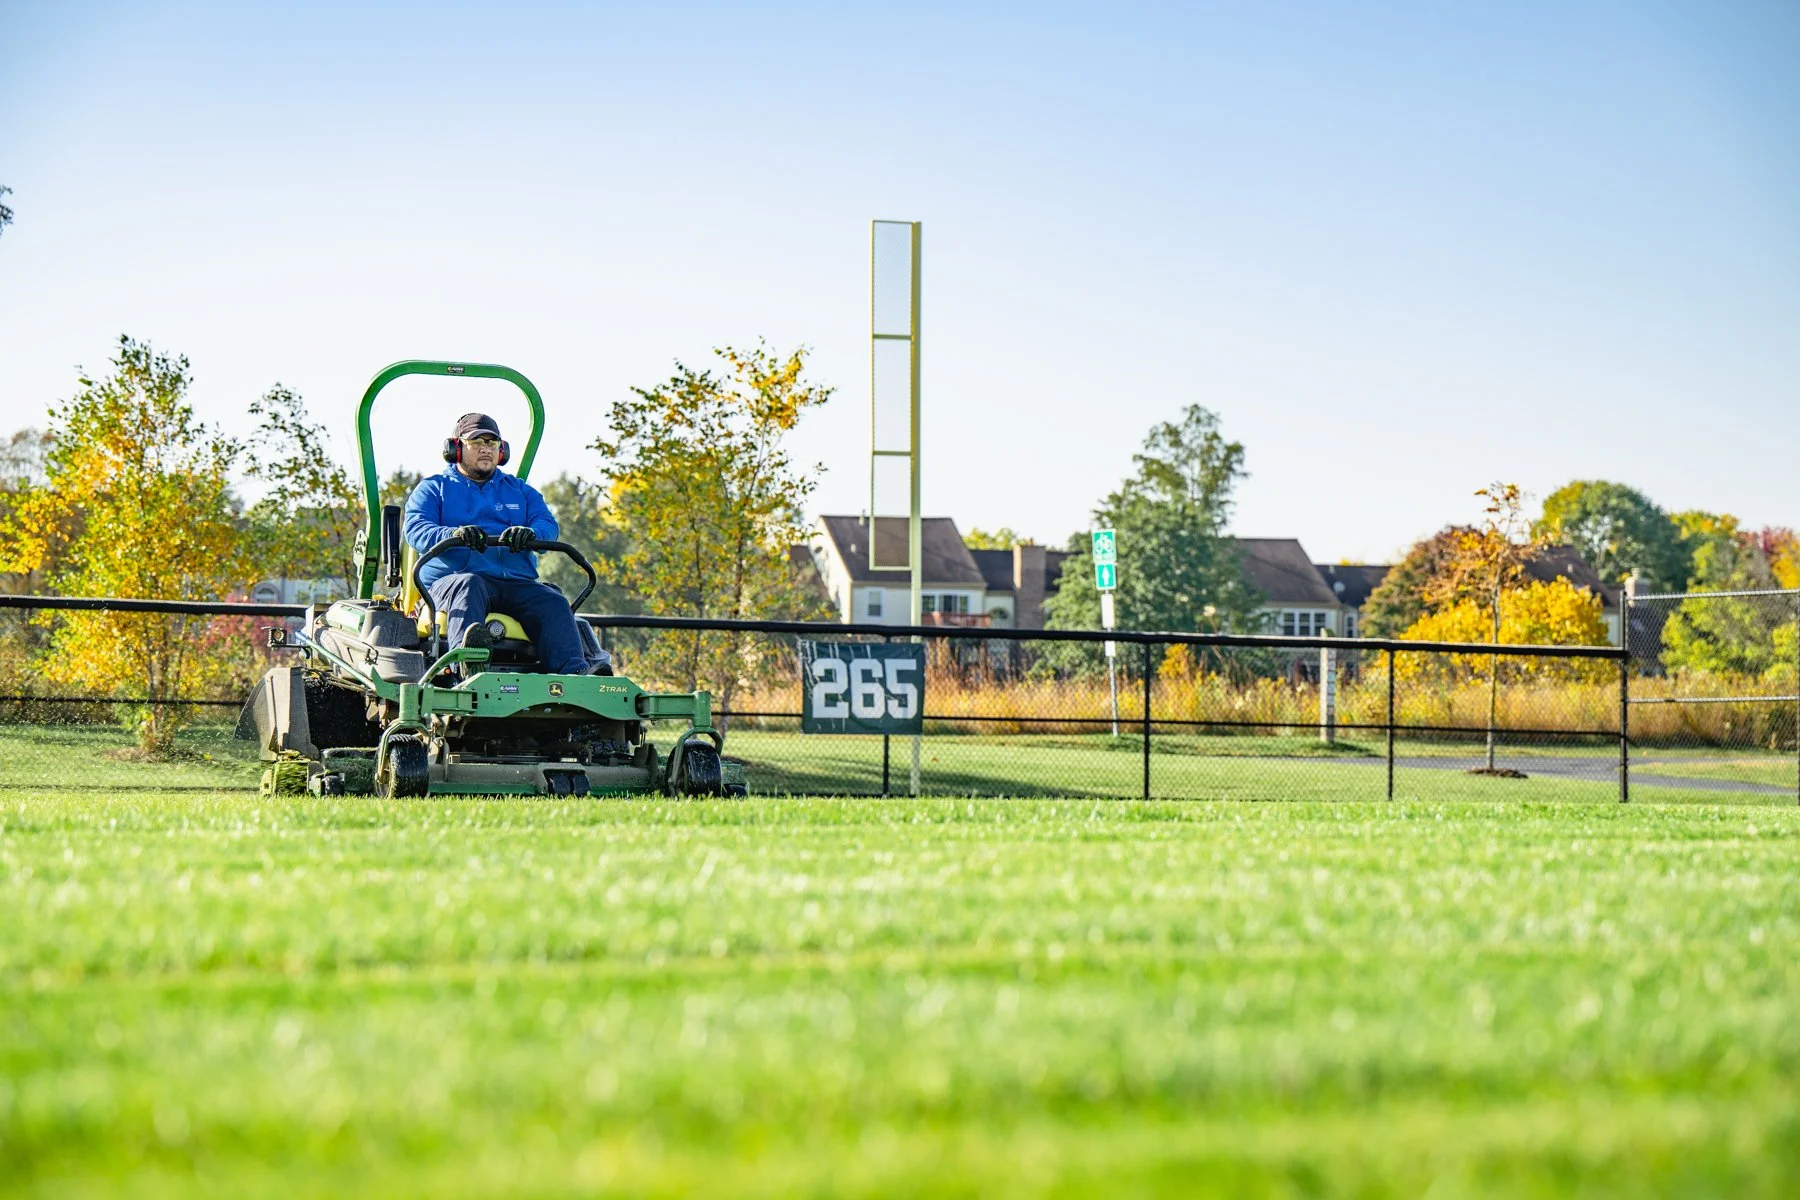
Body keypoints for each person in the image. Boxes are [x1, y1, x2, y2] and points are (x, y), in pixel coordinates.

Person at [403, 412, 606, 674]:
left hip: (515, 582)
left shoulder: (520, 490)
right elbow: (416, 529)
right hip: (455, 581)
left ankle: (575, 677)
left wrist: (531, 535)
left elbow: (547, 524)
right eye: (477, 442)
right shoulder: (434, 489)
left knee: (553, 601)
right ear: (456, 447)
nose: (485, 449)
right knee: (469, 584)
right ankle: (469, 667)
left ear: (502, 450)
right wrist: (453, 535)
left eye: (492, 443)